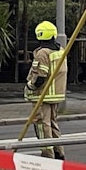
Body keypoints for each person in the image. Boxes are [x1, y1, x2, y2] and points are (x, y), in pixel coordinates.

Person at [24, 20, 67, 159]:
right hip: (56, 94)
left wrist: (30, 86)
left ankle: (47, 154)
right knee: (53, 123)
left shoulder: (42, 53)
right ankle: (58, 151)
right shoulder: (60, 50)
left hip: (42, 94)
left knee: (42, 125)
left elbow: (40, 77)